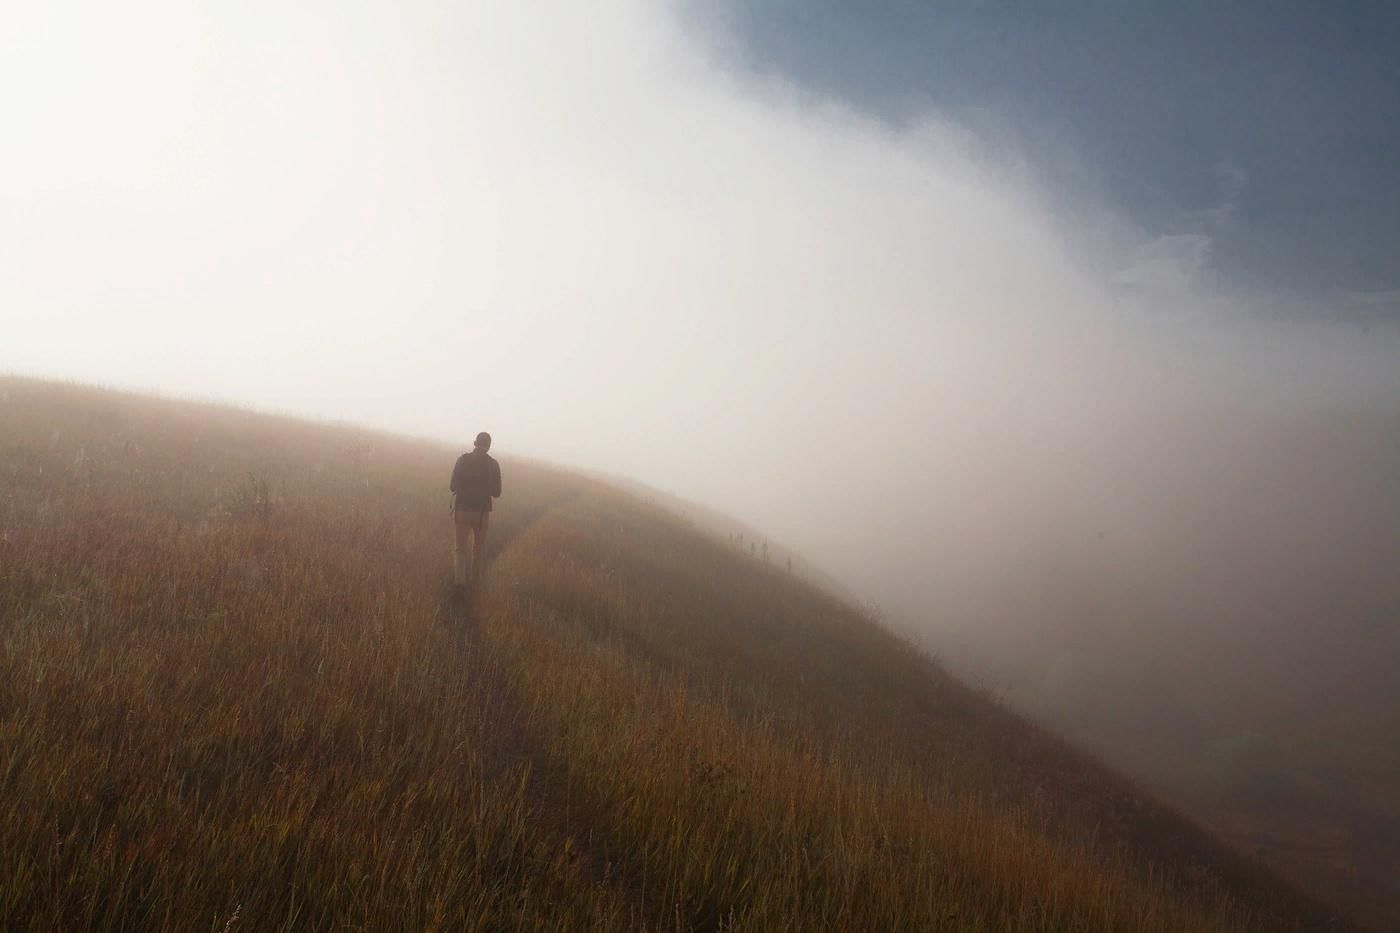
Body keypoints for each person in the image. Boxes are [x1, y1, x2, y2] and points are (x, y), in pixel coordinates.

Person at [449, 432, 502, 599]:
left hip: (462, 509)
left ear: (475, 442)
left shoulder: (462, 460)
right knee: (478, 549)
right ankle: (475, 583)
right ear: (488, 446)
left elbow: (452, 486)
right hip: (482, 512)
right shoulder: (493, 464)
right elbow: (497, 492)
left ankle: (459, 583)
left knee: (460, 549)